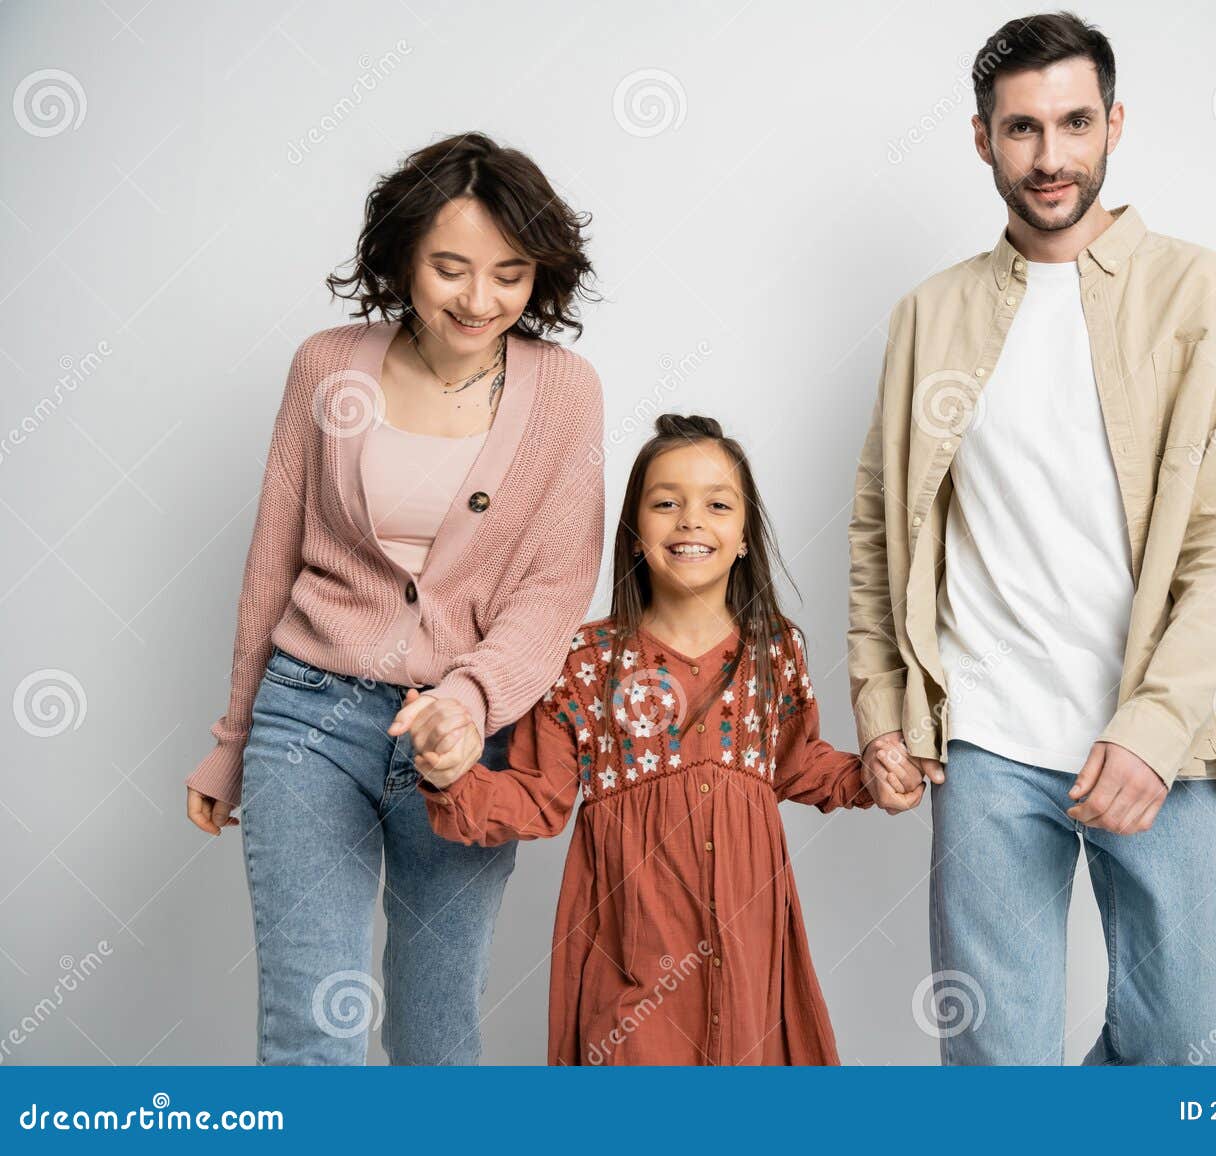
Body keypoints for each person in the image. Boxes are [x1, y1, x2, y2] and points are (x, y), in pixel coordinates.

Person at [848, 13, 1216, 1064]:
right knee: (998, 1062)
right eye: (1022, 129)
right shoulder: (929, 314)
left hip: (1151, 737)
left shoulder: (1199, 292)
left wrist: (1157, 721)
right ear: (982, 139)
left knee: (1184, 1028)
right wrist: (880, 705)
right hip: (986, 742)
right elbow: (878, 526)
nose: (1050, 157)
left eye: (1074, 123)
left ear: (1113, 124)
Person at [184, 132, 605, 1064]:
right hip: (307, 719)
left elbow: (553, 588)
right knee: (311, 1022)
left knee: (435, 1025)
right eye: (450, 269)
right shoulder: (326, 367)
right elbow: (271, 562)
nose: (479, 300)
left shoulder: (566, 392)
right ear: (402, 258)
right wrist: (232, 741)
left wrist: (466, 703)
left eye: (509, 273)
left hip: (466, 739)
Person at [418, 413, 921, 1064]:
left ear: (743, 536)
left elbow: (798, 764)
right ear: (633, 533)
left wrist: (871, 777)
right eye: (665, 503)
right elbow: (536, 799)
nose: (690, 520)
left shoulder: (776, 652)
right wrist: (447, 771)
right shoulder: (583, 662)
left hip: (750, 963)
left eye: (716, 504)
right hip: (630, 958)